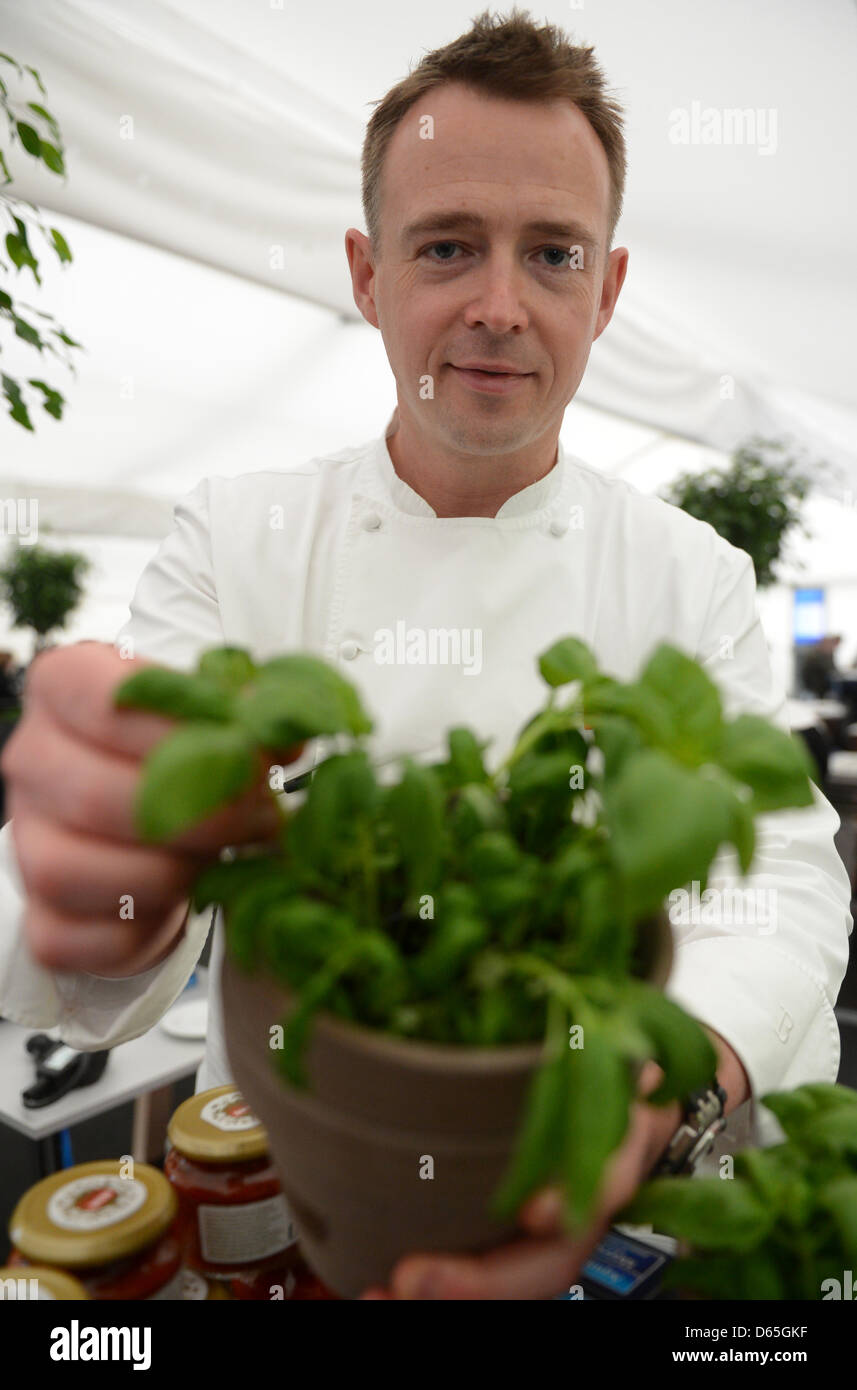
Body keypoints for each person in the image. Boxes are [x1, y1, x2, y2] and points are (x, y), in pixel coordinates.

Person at [0, 11, 852, 1300]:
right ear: (367, 272)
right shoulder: (238, 535)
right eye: (447, 245)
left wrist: (655, 1086)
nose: (498, 308)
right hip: (293, 1192)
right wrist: (119, 881)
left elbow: (779, 877)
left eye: (552, 254)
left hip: (593, 1196)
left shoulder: (693, 573)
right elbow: (116, 915)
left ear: (606, 290)